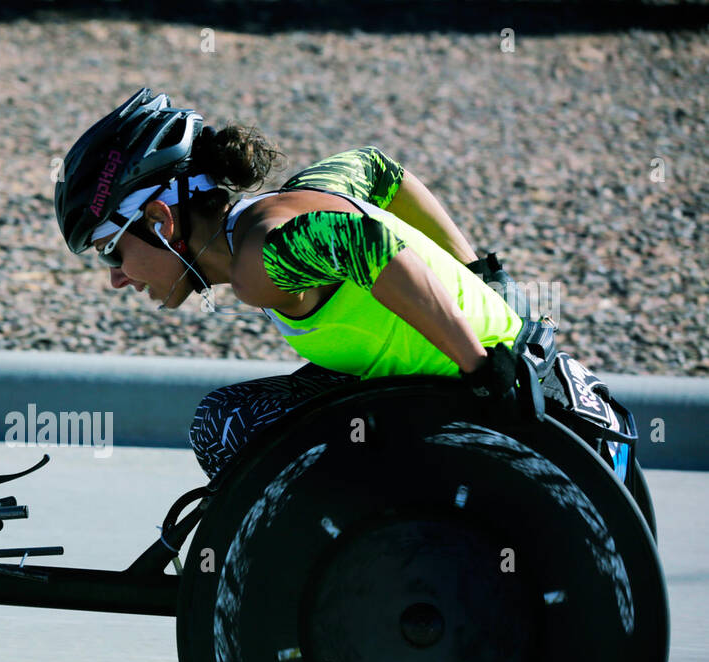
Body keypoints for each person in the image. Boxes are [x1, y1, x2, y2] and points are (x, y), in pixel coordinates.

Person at [55, 87, 532, 481]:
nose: (117, 277)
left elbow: (362, 241)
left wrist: (480, 368)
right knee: (236, 411)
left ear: (161, 220)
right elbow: (377, 167)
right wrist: (480, 274)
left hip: (476, 386)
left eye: (111, 251)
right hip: (454, 370)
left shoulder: (259, 262)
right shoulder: (302, 193)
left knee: (226, 425)